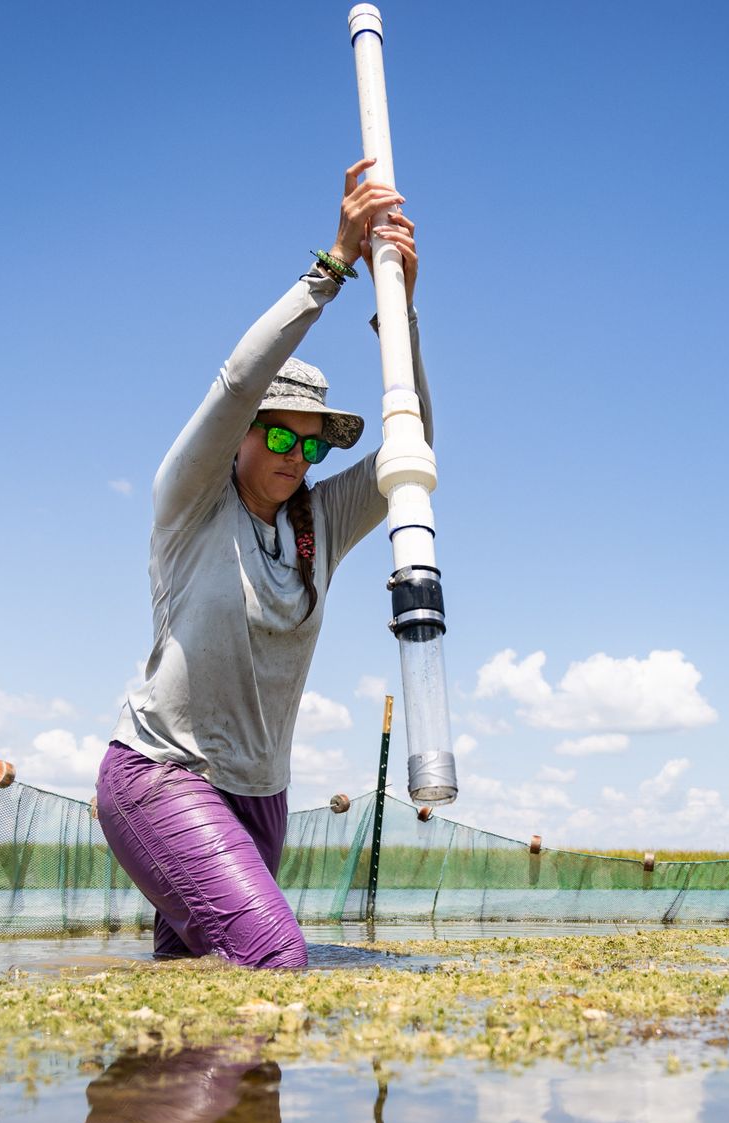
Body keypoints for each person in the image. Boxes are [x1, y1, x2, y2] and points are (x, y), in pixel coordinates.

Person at [96, 159, 431, 969]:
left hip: (263, 798)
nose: (296, 451)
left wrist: (401, 315)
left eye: (311, 440)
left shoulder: (320, 518)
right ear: (241, 435)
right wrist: (338, 267)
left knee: (198, 1001)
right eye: (278, 432)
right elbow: (237, 378)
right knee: (275, 961)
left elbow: (412, 448)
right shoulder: (191, 503)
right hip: (163, 775)